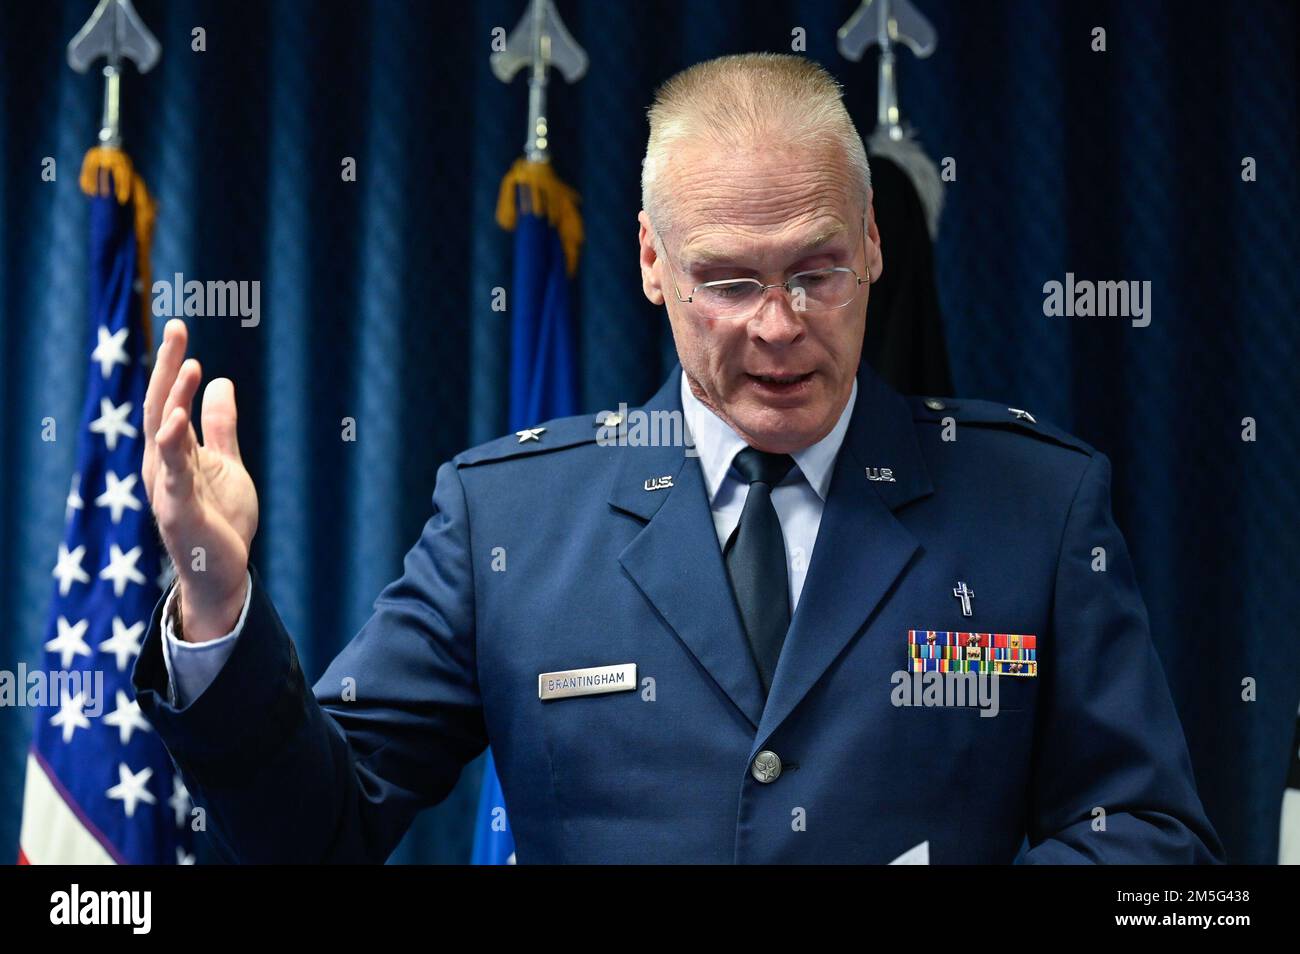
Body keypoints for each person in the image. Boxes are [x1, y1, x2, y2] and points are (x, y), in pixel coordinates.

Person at [133, 53, 1222, 863]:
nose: (781, 324)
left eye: (818, 270)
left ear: (876, 245)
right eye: (731, 282)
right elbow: (316, 831)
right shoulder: (504, 520)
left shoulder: (1037, 504)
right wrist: (213, 597)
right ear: (653, 263)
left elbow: (1157, 847)